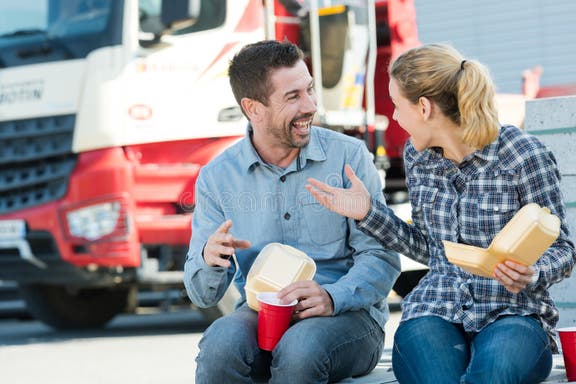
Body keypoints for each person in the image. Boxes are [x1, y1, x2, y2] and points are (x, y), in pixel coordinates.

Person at [306, 43, 576, 384]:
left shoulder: (523, 155)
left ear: (423, 107)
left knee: (491, 376)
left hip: (514, 313)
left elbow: (564, 251)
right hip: (435, 310)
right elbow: (432, 250)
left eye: (396, 105)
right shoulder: (418, 157)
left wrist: (533, 273)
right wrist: (368, 213)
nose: (394, 117)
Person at [184, 40, 401, 383]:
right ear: (253, 108)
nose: (311, 106)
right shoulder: (217, 177)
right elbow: (202, 294)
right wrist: (210, 261)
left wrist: (332, 296)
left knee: (301, 350)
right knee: (219, 346)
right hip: (261, 314)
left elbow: (382, 257)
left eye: (310, 90)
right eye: (293, 97)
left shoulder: (349, 157)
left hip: (348, 317)